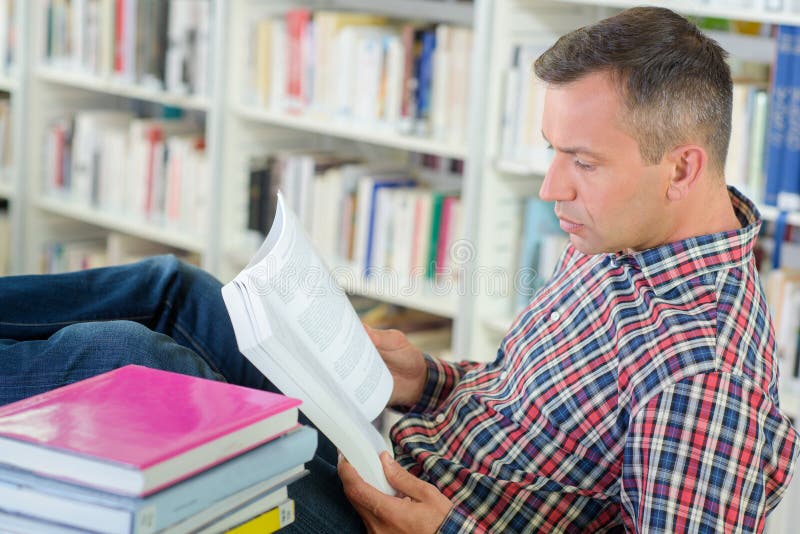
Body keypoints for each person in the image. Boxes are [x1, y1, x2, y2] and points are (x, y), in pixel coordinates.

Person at [1, 6, 796, 533]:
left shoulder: (700, 372)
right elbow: (541, 408)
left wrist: (446, 532)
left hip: (396, 521)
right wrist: (431, 379)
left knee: (138, 359)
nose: (553, 187)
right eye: (552, 151)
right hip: (390, 444)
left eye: (580, 160)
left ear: (682, 168)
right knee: (175, 290)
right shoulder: (624, 228)